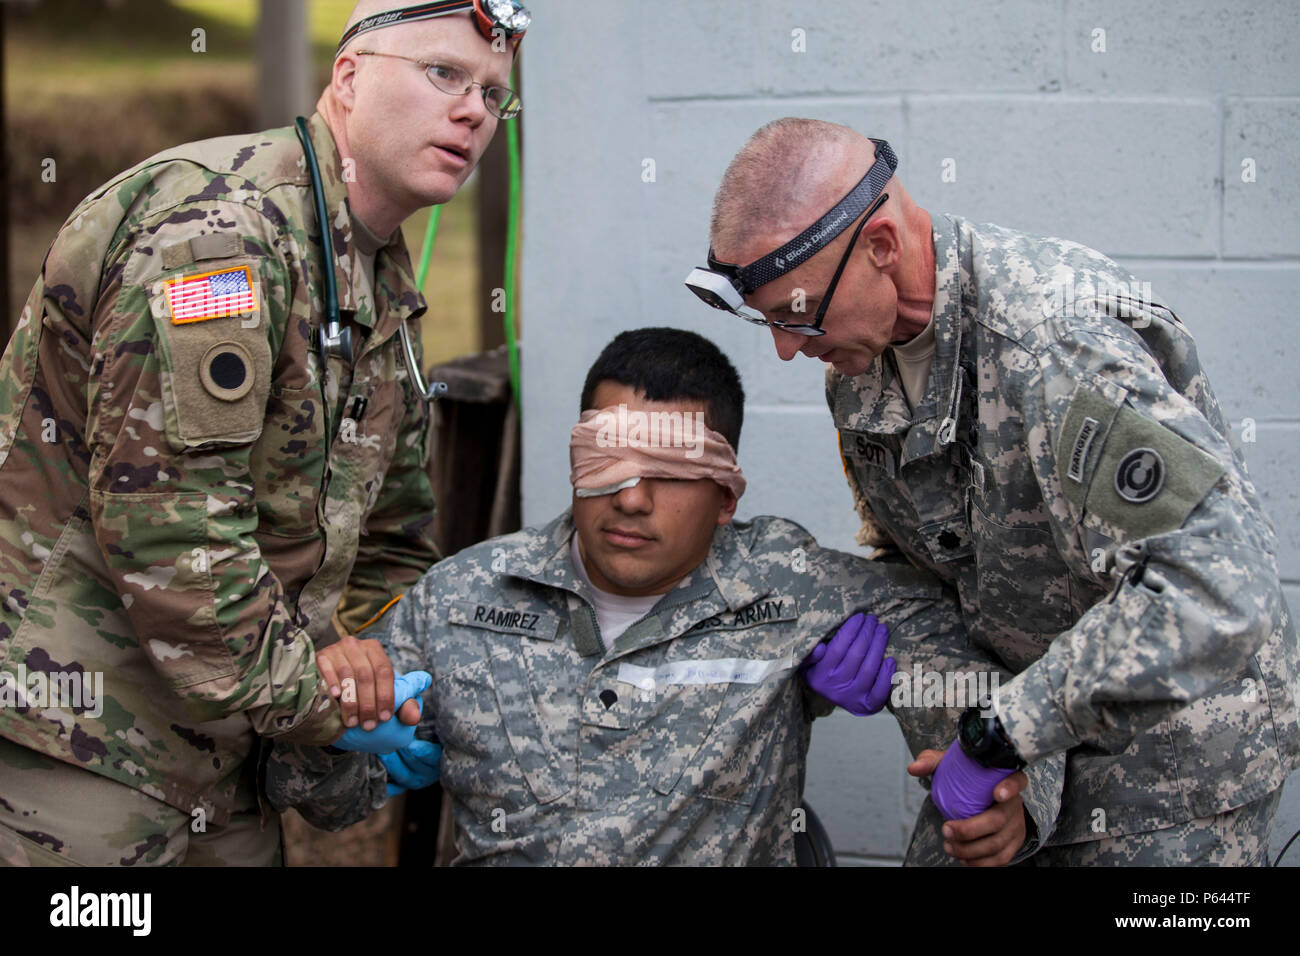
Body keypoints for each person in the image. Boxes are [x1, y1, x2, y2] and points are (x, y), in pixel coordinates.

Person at [0, 0, 530, 867]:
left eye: (494, 94)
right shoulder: (220, 230)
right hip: (82, 739)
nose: (473, 110)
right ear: (349, 76)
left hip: (231, 747)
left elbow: (389, 534)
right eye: (443, 74)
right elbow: (172, 528)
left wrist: (388, 686)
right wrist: (328, 707)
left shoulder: (371, 272)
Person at [688, 118, 1299, 866]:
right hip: (1014, 755)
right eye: (769, 318)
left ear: (880, 248)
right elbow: (932, 572)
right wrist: (877, 648)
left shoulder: (1058, 346)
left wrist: (1000, 733)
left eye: (795, 312)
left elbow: (1215, 588)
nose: (785, 346)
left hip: (1170, 773)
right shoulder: (859, 367)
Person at [267, 327, 964, 866]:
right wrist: (333, 733)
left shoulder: (789, 585)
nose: (630, 499)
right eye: (608, 463)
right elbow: (332, 804)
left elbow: (973, 652)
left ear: (725, 496)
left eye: (669, 473)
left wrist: (975, 764)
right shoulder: (459, 597)